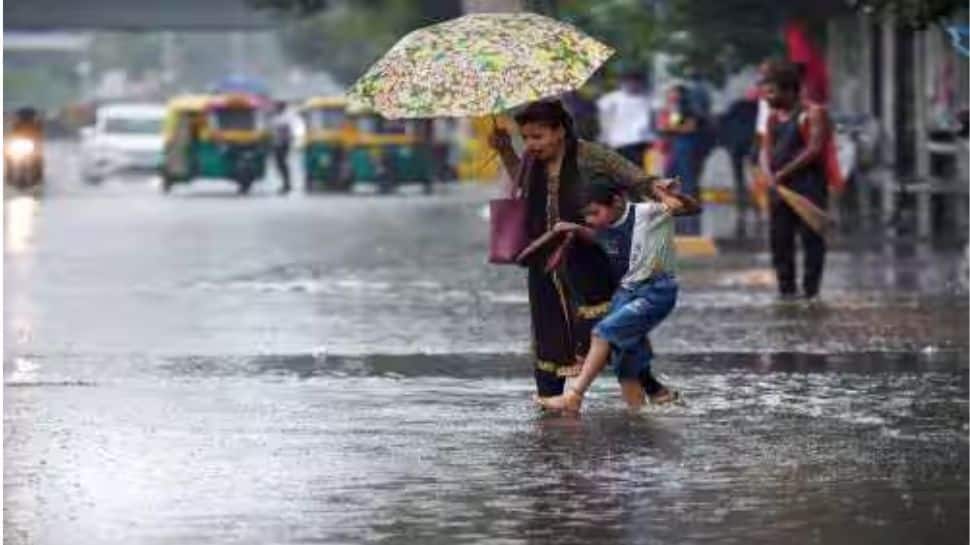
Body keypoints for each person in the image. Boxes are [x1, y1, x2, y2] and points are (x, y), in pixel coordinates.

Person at [488, 99, 676, 405]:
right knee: (548, 333)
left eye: (538, 137)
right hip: (545, 260)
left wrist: (660, 187)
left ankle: (653, 391)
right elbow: (521, 186)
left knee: (611, 332)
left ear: (559, 131)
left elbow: (632, 176)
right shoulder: (531, 161)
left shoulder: (590, 155)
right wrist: (506, 151)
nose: (531, 145)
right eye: (526, 138)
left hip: (589, 257)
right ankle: (549, 405)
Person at [536, 178, 700, 412]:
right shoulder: (602, 226)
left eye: (595, 213)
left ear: (616, 202)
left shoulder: (647, 212)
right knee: (625, 358)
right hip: (626, 291)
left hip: (655, 290)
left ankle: (574, 395)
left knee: (603, 332)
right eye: (587, 217)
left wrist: (670, 198)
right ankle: (642, 413)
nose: (593, 221)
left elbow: (691, 209)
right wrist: (577, 229)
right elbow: (601, 237)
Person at [759, 62, 831, 300]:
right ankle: (786, 292)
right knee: (779, 241)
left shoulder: (813, 113)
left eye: (771, 92)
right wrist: (770, 175)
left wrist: (785, 172)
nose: (767, 97)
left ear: (789, 90)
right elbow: (767, 150)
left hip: (808, 186)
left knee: (812, 240)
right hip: (780, 188)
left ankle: (811, 292)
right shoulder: (772, 118)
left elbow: (814, 149)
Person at [659, 84, 703, 235]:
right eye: (670, 93)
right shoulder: (669, 110)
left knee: (688, 180)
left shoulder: (689, 109)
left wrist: (671, 129)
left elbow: (689, 128)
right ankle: (674, 211)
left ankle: (690, 217)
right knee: (669, 180)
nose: (672, 97)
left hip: (685, 146)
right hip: (672, 148)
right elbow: (663, 126)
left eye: (675, 94)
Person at [596, 69, 655, 168]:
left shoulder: (647, 99)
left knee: (639, 169)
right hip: (620, 141)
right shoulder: (611, 99)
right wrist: (604, 136)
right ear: (624, 82)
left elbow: (652, 119)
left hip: (642, 141)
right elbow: (604, 119)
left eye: (636, 81)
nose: (633, 84)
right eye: (630, 81)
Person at [271, 101, 293, 195]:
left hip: (283, 144)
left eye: (278, 106)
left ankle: (287, 184)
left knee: (282, 164)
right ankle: (285, 183)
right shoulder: (276, 117)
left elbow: (286, 132)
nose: (276, 108)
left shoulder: (285, 117)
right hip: (277, 144)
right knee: (279, 164)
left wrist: (284, 141)